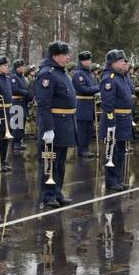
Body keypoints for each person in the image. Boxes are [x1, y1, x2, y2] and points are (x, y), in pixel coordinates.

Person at [35, 41, 75, 206]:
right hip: (54, 124)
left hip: (65, 124)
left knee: (60, 163)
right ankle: (48, 195)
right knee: (49, 161)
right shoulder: (47, 74)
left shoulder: (62, 73)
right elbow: (44, 104)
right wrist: (48, 129)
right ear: (55, 56)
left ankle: (57, 192)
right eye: (65, 54)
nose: (68, 57)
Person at [100, 48, 135, 191]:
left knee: (121, 152)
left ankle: (118, 179)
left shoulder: (122, 76)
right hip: (115, 119)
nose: (123, 63)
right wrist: (111, 121)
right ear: (112, 63)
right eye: (120, 61)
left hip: (125, 118)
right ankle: (111, 180)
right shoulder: (110, 78)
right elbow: (108, 103)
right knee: (112, 151)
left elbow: (130, 91)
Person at [72, 51, 100, 161]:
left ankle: (86, 148)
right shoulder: (78, 74)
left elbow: (93, 86)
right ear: (82, 61)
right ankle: (81, 150)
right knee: (82, 129)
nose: (90, 62)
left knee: (89, 129)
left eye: (90, 60)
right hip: (82, 104)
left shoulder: (88, 74)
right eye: (87, 60)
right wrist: (98, 88)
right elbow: (83, 89)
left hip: (89, 104)